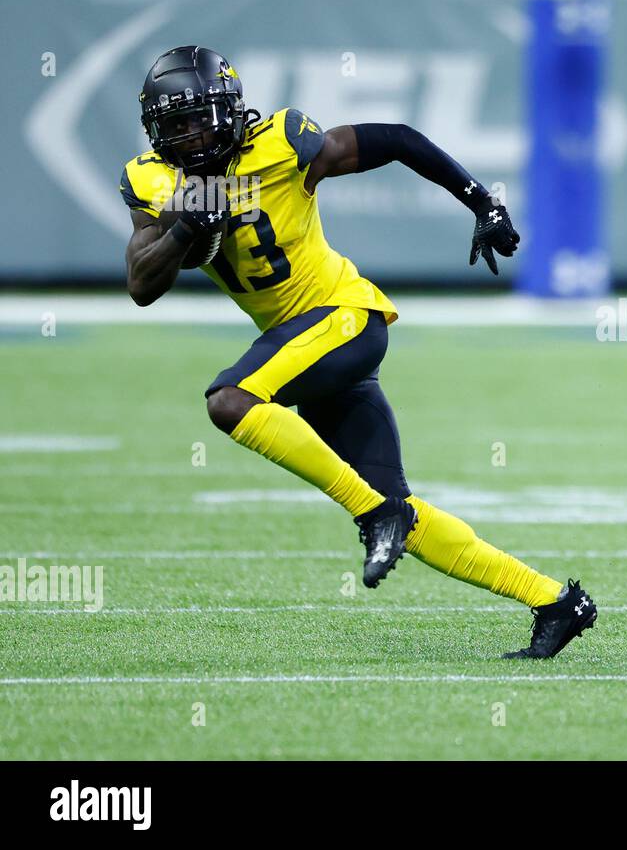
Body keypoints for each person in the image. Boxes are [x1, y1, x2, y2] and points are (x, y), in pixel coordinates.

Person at [121, 45, 595, 659]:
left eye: (195, 119)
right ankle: (556, 601)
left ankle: (370, 516)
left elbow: (395, 138)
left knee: (230, 401)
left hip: (346, 317)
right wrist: (187, 224)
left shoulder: (283, 142)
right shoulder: (153, 181)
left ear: (228, 110)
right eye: (172, 126)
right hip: (303, 350)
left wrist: (483, 201)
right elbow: (141, 284)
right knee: (403, 510)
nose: (186, 138)